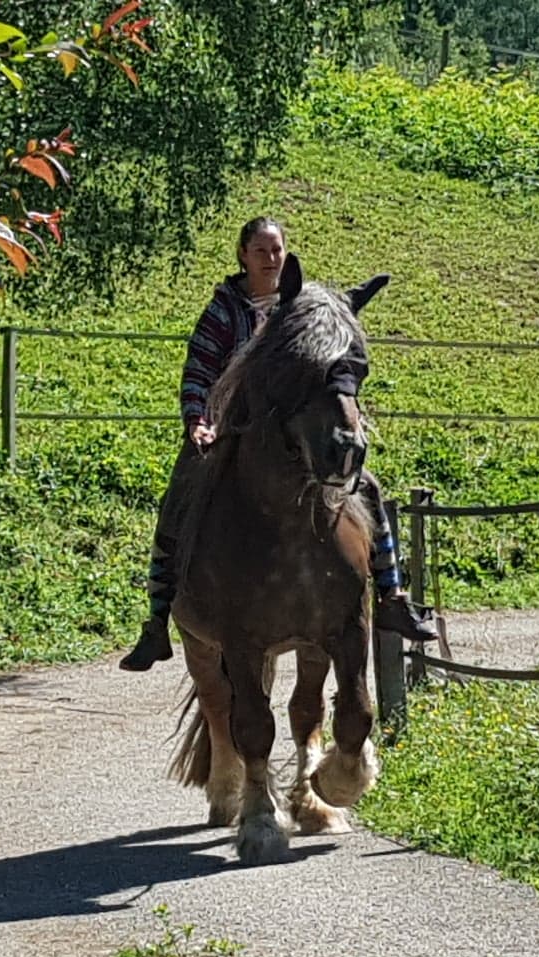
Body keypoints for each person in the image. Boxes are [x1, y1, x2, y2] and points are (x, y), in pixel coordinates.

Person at [119, 216, 437, 672]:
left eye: (277, 250)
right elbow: (198, 372)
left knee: (364, 485)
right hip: (231, 428)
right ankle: (157, 617)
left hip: (292, 431)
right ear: (243, 256)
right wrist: (198, 421)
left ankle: (391, 594)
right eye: (262, 251)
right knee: (180, 494)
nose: (271, 258)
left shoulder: (305, 311)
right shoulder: (225, 311)